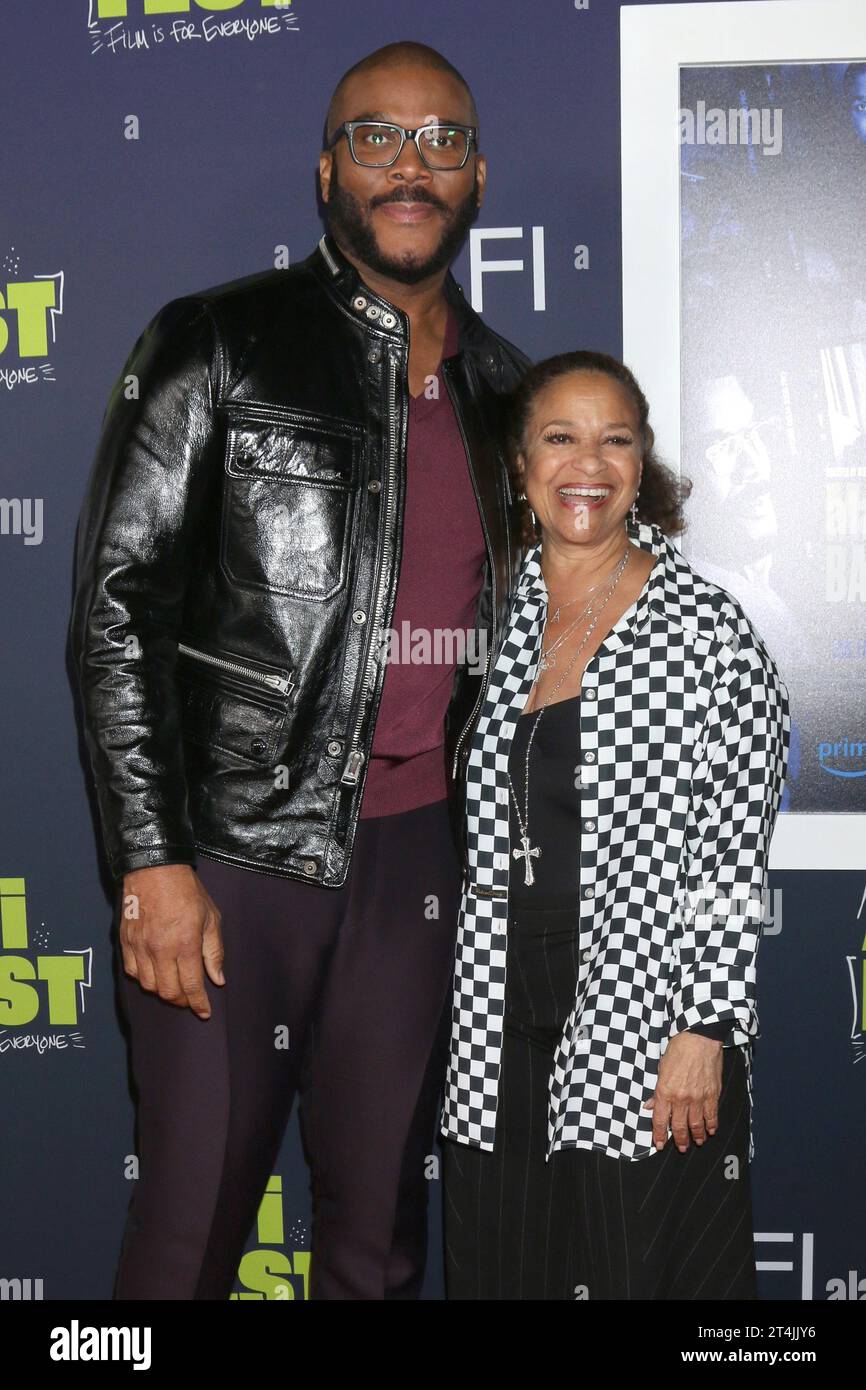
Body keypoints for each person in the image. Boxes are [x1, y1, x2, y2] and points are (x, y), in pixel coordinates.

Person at [69, 40, 531, 1300]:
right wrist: (151, 862)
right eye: (376, 136)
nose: (409, 164)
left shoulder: (510, 393)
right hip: (229, 856)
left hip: (420, 866)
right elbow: (119, 611)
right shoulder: (217, 342)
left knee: (378, 1239)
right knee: (187, 1237)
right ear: (325, 168)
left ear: (477, 175)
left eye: (439, 139)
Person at [440, 350, 791, 1300]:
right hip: (496, 1016)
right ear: (520, 464)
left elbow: (733, 852)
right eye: (559, 438)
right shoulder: (493, 622)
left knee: (650, 1278)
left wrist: (706, 1028)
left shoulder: (705, 631)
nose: (585, 463)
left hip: (644, 1015)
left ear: (642, 468)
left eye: (614, 440)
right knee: (505, 1268)